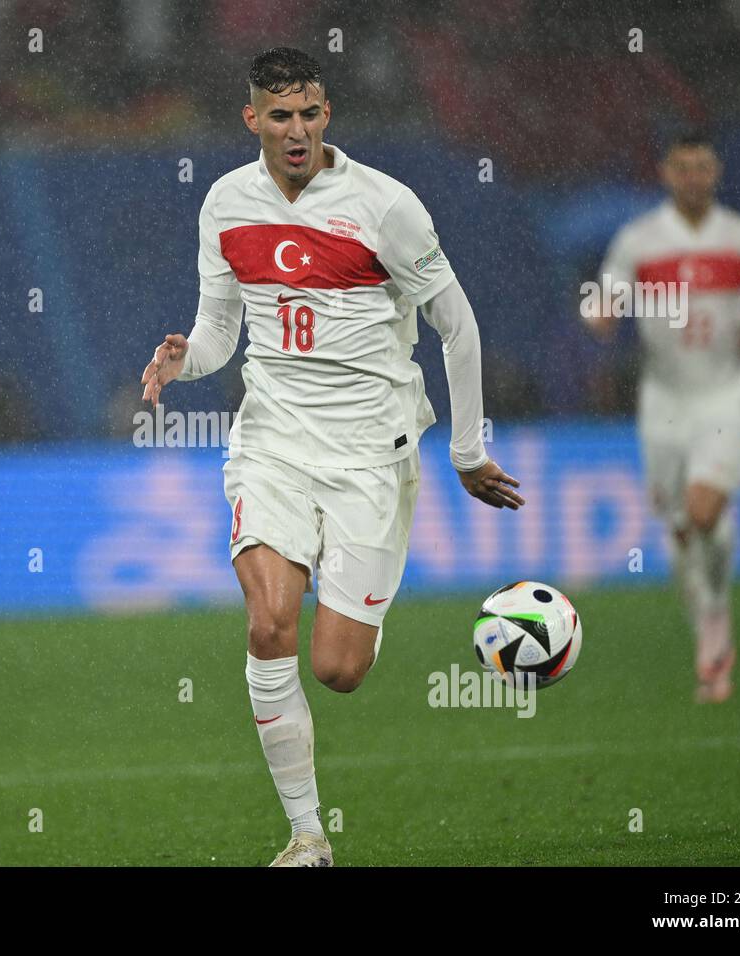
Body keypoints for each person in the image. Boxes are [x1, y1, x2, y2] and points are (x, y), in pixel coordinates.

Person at [139, 47, 523, 866]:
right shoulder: (224, 204)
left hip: (368, 452)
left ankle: (358, 614)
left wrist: (465, 451)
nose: (296, 130)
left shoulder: (386, 206)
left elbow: (459, 326)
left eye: (309, 113)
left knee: (338, 669)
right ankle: (307, 838)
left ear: (328, 115)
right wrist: (184, 360)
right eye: (279, 116)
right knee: (269, 622)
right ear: (252, 121)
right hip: (272, 440)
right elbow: (218, 331)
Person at [584, 131, 740, 704]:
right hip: (664, 401)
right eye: (682, 168)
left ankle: (717, 611)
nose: (693, 177)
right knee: (677, 528)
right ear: (665, 173)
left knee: (702, 509)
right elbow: (606, 297)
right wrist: (600, 313)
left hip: (728, 392)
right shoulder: (639, 241)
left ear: (715, 171)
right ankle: (707, 632)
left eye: (702, 167)